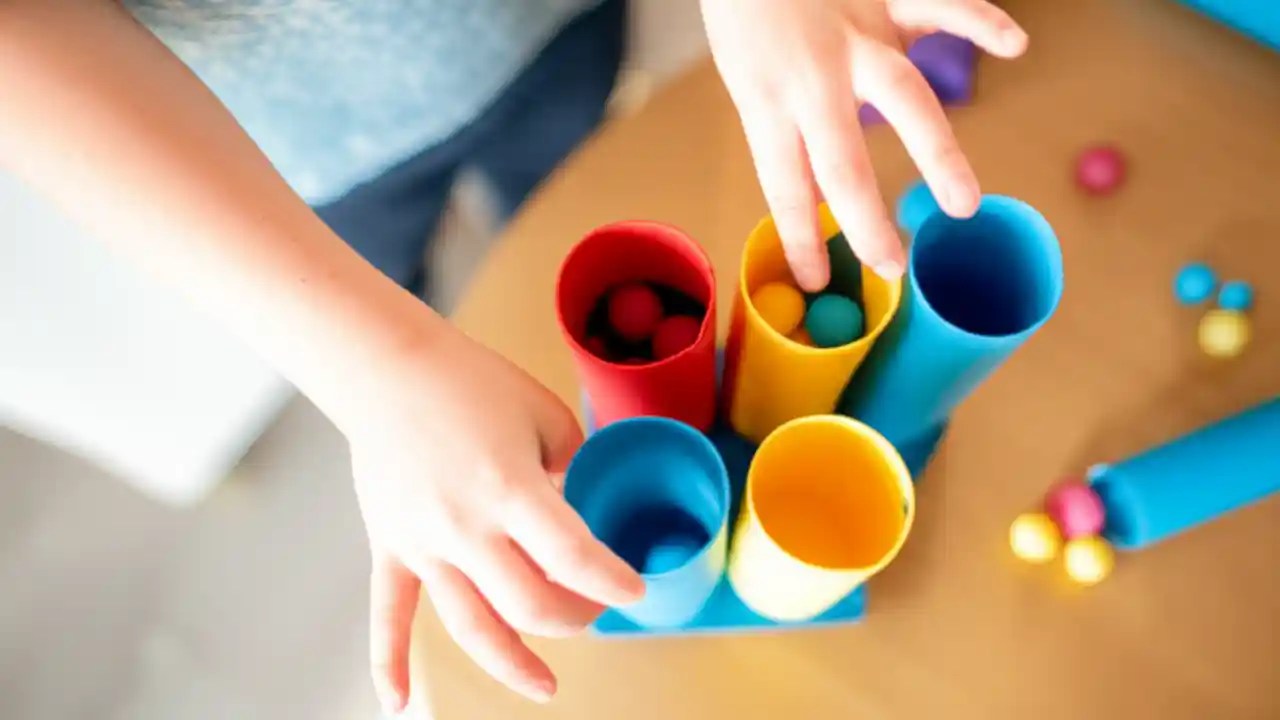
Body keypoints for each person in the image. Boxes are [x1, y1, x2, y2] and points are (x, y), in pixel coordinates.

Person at [0, 0, 1026, 712]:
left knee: (555, 167)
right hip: (302, 137)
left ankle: (503, 228)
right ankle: (423, 292)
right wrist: (375, 358)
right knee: (389, 261)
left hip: (552, 31)